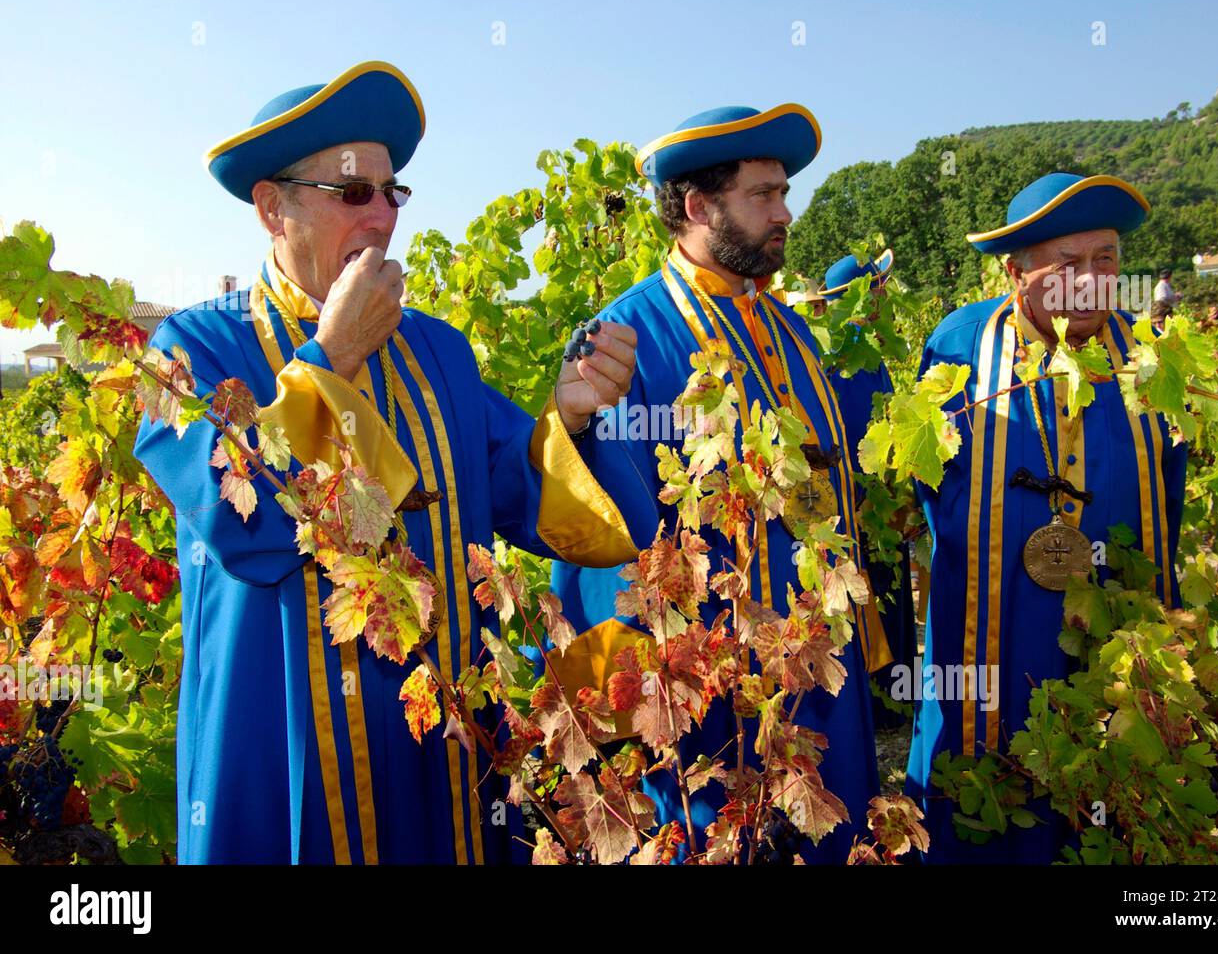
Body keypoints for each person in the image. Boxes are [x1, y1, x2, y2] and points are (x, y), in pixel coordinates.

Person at [133, 61, 657, 863]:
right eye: (353, 193)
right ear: (273, 208)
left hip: (441, 748)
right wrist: (330, 356)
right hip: (286, 756)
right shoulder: (192, 347)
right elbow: (233, 514)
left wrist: (575, 414)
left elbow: (521, 490)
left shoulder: (440, 351)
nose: (381, 216)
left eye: (392, 193)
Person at [548, 105, 892, 862]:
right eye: (764, 195)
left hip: (821, 684)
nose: (785, 212)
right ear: (699, 207)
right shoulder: (622, 341)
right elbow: (607, 553)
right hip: (715, 723)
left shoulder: (793, 330)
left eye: (783, 193)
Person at [907, 173, 1188, 863]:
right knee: (994, 810)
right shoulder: (960, 350)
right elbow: (926, 484)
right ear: (1015, 270)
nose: (1091, 282)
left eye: (1107, 260)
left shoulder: (1149, 360)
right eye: (1068, 264)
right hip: (996, 642)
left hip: (1117, 643)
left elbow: (1172, 495)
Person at [818, 249, 916, 730]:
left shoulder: (870, 347)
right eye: (878, 288)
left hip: (882, 507)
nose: (885, 296)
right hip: (859, 510)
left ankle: (892, 703)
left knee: (888, 596)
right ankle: (879, 708)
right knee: (868, 603)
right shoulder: (843, 356)